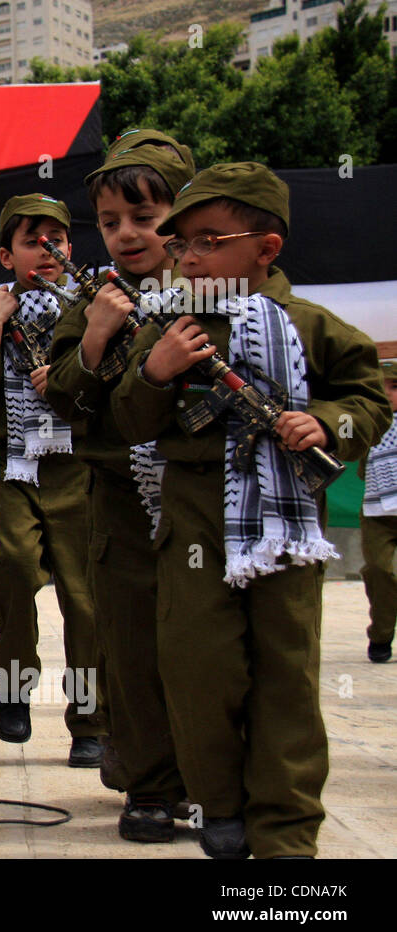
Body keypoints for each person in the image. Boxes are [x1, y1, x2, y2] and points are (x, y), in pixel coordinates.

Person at [112, 162, 392, 858]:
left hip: (287, 517)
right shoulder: (169, 326)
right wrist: (156, 370)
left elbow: (371, 400)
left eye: (211, 240)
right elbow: (126, 419)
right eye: (184, 245)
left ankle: (287, 835)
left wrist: (327, 423)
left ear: (266, 248)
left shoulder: (313, 326)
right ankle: (219, 801)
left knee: (286, 676)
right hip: (196, 511)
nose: (193, 256)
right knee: (197, 666)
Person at [43, 132, 195, 841]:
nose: (128, 234)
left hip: (203, 498)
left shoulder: (218, 288)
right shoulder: (94, 299)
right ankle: (150, 783)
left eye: (146, 215)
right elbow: (62, 396)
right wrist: (98, 338)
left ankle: (210, 778)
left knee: (203, 642)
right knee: (130, 644)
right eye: (110, 222)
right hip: (120, 501)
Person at [0, 195, 100, 767]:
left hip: (80, 466)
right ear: (7, 256)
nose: (47, 251)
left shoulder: (95, 304)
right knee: (19, 568)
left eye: (57, 240)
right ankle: (15, 688)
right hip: (20, 467)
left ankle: (91, 722)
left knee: (85, 599)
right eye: (33, 242)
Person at [360, 359, 397, 664]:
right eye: (383, 388)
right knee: (379, 571)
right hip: (377, 512)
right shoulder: (371, 421)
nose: (388, 394)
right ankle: (381, 634)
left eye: (394, 387)